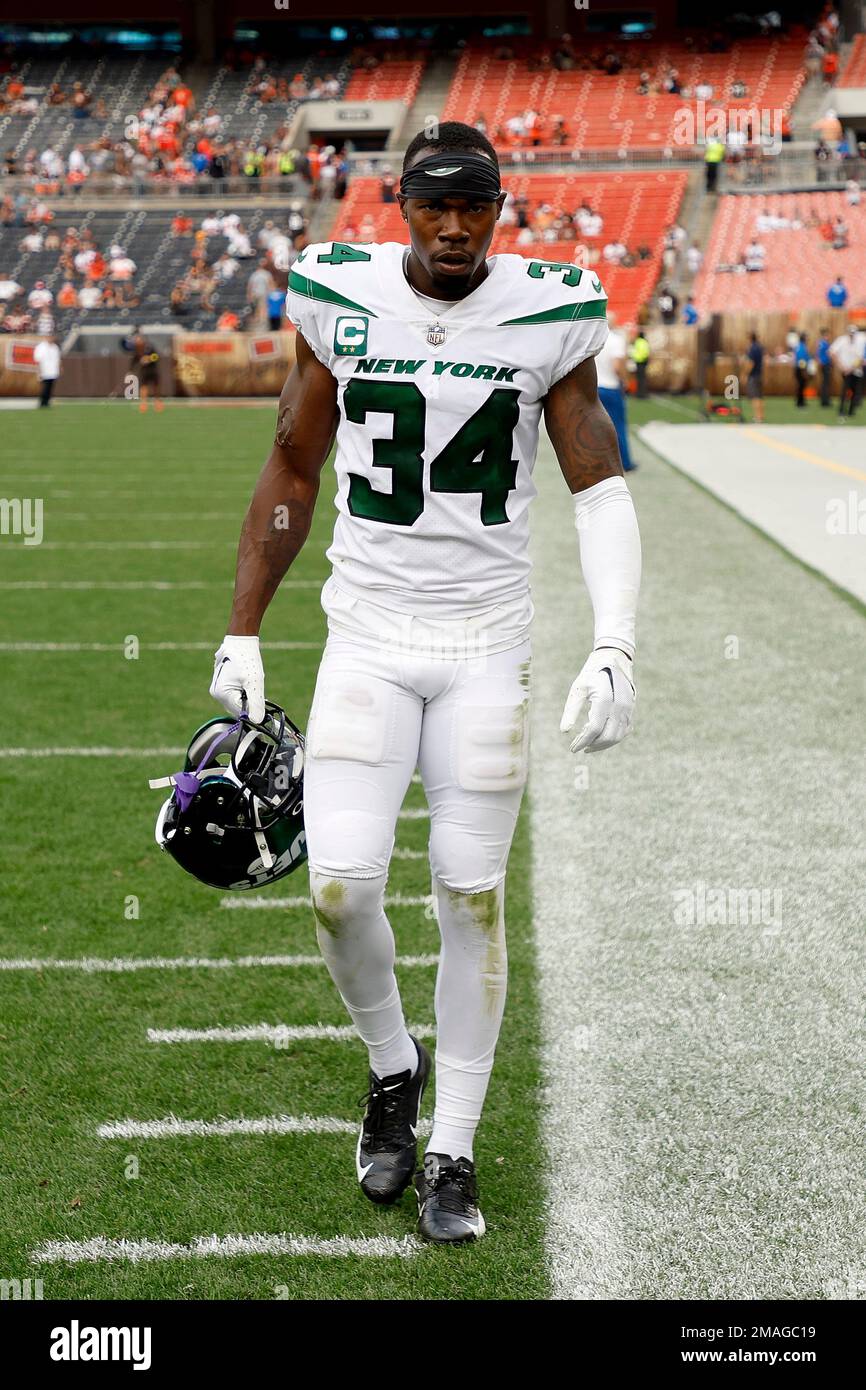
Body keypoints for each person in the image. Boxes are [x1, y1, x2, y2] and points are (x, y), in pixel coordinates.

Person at [208, 122, 641, 1245]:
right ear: (399, 203)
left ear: (502, 210)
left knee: (468, 891)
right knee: (340, 886)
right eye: (435, 207)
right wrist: (243, 628)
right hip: (366, 634)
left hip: (483, 645)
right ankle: (391, 1066)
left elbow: (596, 481)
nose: (454, 229)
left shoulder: (545, 311)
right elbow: (294, 462)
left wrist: (617, 638)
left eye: (476, 209)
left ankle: (451, 1141)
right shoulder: (338, 294)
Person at [594, 311, 635, 472]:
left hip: (595, 387)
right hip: (610, 387)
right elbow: (617, 366)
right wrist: (624, 380)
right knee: (618, 426)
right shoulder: (615, 340)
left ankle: (598, 462)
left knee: (594, 427)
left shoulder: (593, 340)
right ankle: (624, 461)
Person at [830, 324, 866, 418]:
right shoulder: (842, 340)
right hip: (845, 370)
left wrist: (851, 368)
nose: (851, 335)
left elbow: (861, 358)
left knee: (855, 390)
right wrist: (841, 366)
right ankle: (842, 410)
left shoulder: (861, 341)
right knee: (845, 390)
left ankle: (851, 410)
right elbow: (832, 352)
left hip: (856, 370)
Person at [123, 327, 162, 412]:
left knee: (155, 386)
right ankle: (143, 403)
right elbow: (134, 361)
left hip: (152, 368)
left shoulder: (149, 347)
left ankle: (157, 402)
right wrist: (130, 371)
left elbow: (156, 356)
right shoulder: (136, 350)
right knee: (144, 386)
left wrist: (148, 359)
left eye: (139, 340)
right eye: (136, 341)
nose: (138, 342)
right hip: (144, 370)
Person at [33, 333, 60, 407]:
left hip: (53, 370)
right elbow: (37, 360)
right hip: (44, 370)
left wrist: (59, 368)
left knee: (50, 387)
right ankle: (42, 402)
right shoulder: (41, 347)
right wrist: (39, 371)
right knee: (45, 387)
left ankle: (47, 401)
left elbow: (57, 359)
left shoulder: (55, 347)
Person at [744, 332, 765, 423]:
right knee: (759, 397)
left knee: (755, 397)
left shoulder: (752, 348)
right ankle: (761, 416)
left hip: (753, 375)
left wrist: (745, 374)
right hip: (759, 374)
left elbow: (750, 363)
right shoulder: (760, 347)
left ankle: (757, 417)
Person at [630, 329, 650, 398]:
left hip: (637, 362)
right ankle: (643, 393)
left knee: (638, 378)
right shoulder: (645, 342)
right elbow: (647, 352)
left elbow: (633, 351)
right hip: (644, 362)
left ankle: (638, 393)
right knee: (643, 378)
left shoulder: (637, 342)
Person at [794, 333, 811, 407]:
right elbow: (801, 360)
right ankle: (800, 403)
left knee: (802, 386)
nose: (808, 339)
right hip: (801, 369)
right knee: (801, 386)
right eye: (807, 337)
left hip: (800, 368)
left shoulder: (800, 346)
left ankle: (801, 401)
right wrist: (803, 371)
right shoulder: (801, 347)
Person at [817, 328, 833, 407]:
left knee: (826, 383)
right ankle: (825, 402)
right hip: (825, 365)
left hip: (826, 364)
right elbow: (820, 354)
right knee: (825, 383)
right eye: (827, 335)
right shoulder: (823, 343)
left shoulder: (823, 343)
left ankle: (825, 400)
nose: (829, 336)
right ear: (824, 335)